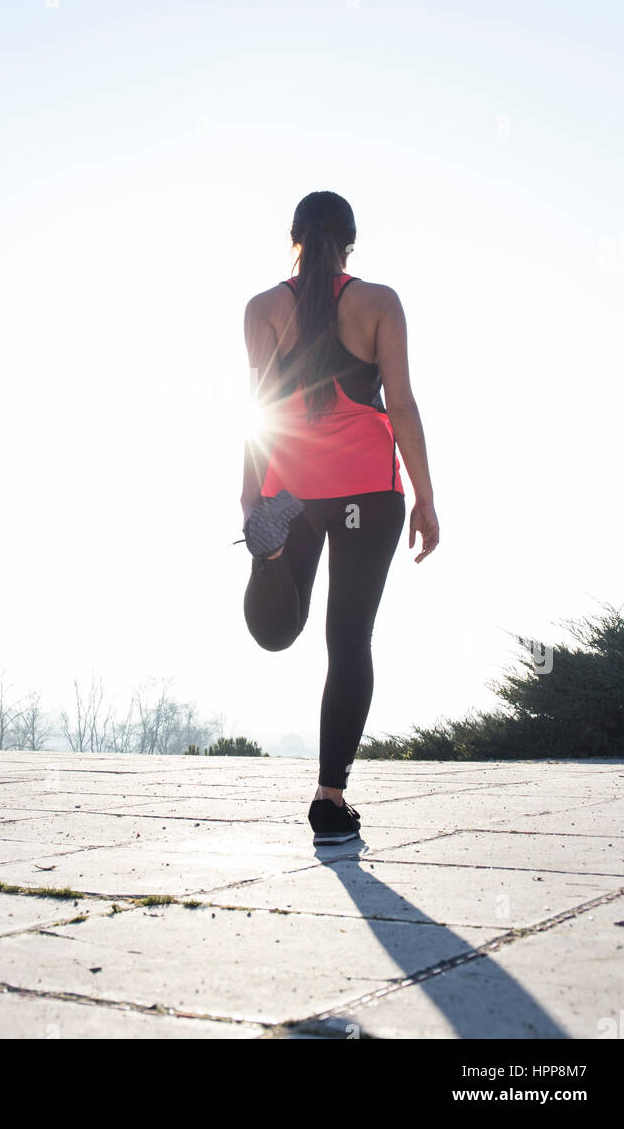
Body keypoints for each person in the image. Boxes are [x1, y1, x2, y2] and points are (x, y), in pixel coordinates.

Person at [238, 191, 439, 844]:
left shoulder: (263, 308)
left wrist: (251, 501)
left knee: (277, 633)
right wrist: (428, 497)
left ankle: (269, 561)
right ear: (349, 243)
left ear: (293, 239)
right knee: (347, 641)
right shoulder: (379, 302)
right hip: (365, 493)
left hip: (290, 488)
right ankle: (329, 800)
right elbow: (401, 404)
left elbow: (257, 407)